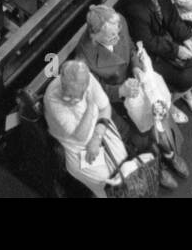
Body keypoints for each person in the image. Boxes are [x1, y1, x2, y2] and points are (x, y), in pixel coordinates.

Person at [77, 5, 188, 190]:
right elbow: (96, 93)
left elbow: (129, 49)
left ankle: (170, 154)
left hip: (135, 83)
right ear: (95, 35)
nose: (117, 37)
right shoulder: (84, 57)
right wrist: (121, 91)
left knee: (160, 115)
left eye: (117, 31)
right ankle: (157, 168)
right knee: (139, 139)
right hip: (113, 101)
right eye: (111, 36)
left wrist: (136, 67)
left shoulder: (119, 22)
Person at [118, 0, 192, 114]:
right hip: (147, 52)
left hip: (163, 38)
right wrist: (176, 50)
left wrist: (184, 37)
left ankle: (184, 94)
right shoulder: (134, 7)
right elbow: (147, 42)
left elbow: (171, 15)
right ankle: (170, 103)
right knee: (185, 77)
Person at [43, 59, 129, 198]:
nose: (69, 99)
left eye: (74, 96)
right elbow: (80, 136)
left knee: (123, 165)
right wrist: (89, 107)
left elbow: (105, 108)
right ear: (62, 82)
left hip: (99, 131)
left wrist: (97, 136)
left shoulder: (89, 80)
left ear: (85, 86)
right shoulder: (52, 98)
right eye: (66, 93)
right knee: (107, 184)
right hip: (78, 149)